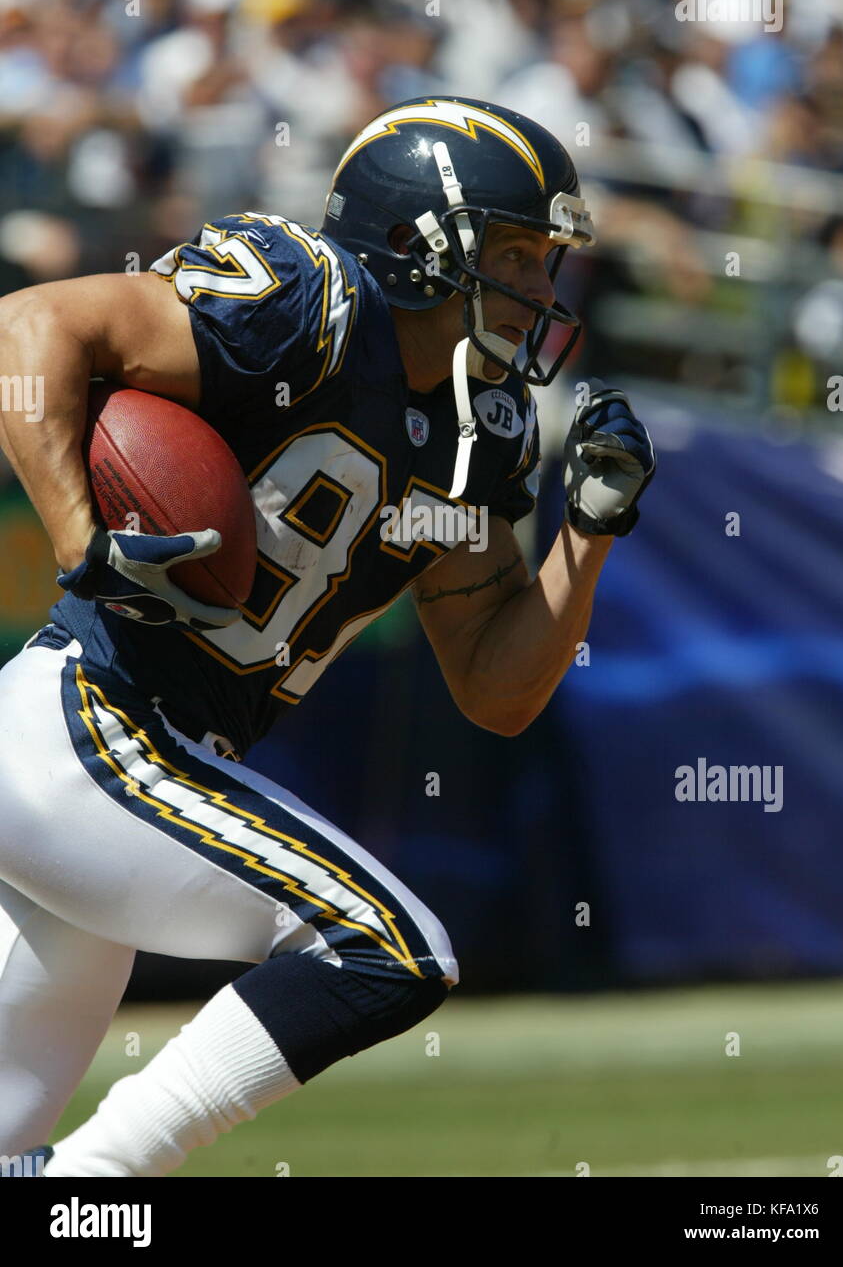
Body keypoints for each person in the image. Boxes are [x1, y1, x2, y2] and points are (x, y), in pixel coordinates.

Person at [0, 96, 655, 1177]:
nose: (541, 290)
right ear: (416, 245)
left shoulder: (474, 426)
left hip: (148, 759)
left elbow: (496, 688)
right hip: (92, 719)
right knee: (391, 946)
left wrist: (585, 533)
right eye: (514, 256)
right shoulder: (301, 300)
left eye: (543, 263)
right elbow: (28, 328)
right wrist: (80, 538)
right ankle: (87, 1183)